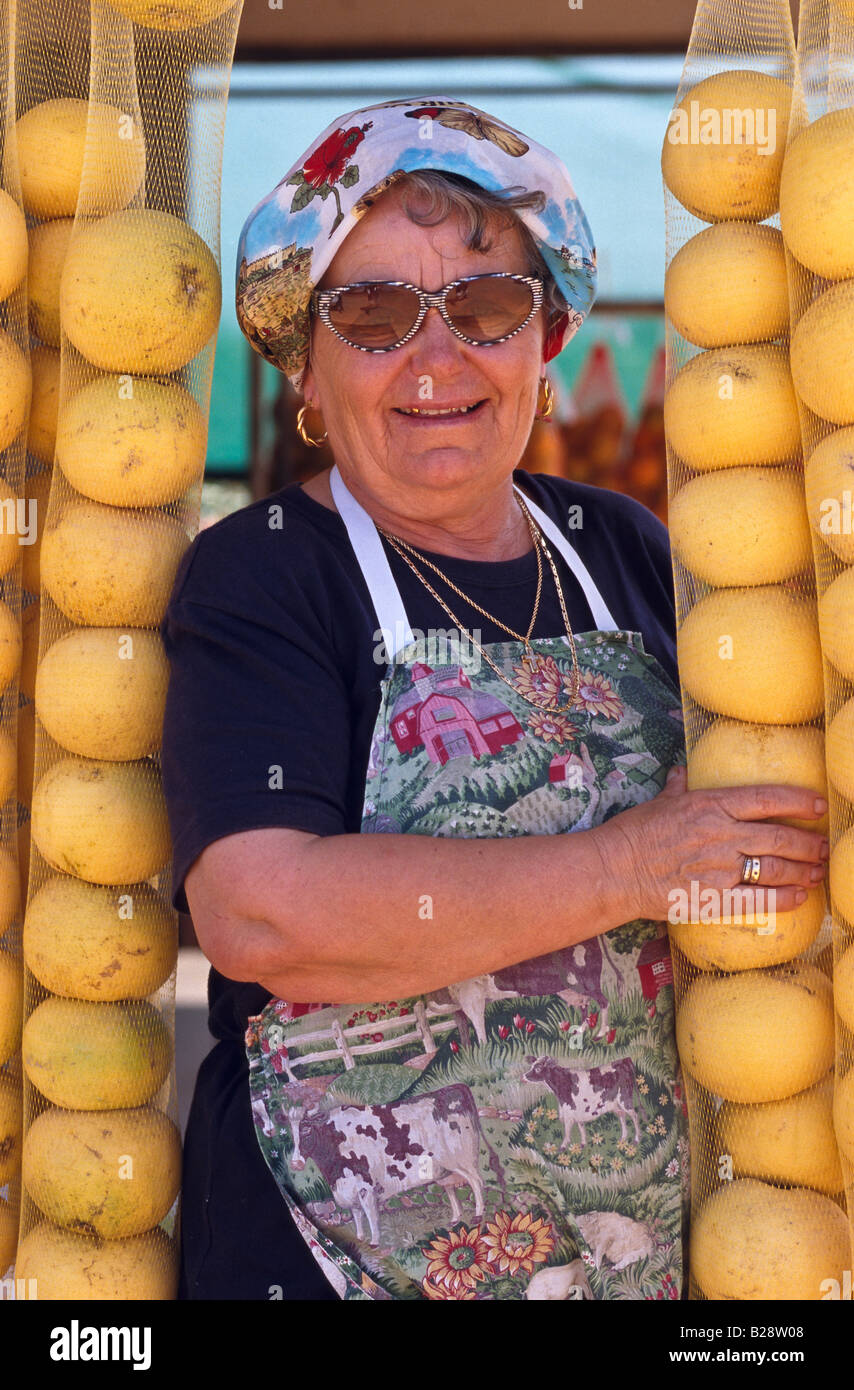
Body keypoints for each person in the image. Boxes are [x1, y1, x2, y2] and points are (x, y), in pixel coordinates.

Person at [160, 96, 828, 1301]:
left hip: (623, 1249)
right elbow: (263, 914)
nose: (435, 359)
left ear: (548, 339)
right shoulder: (264, 571)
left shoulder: (624, 547)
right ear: (302, 364)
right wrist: (631, 866)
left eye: (483, 306)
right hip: (336, 1252)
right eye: (370, 314)